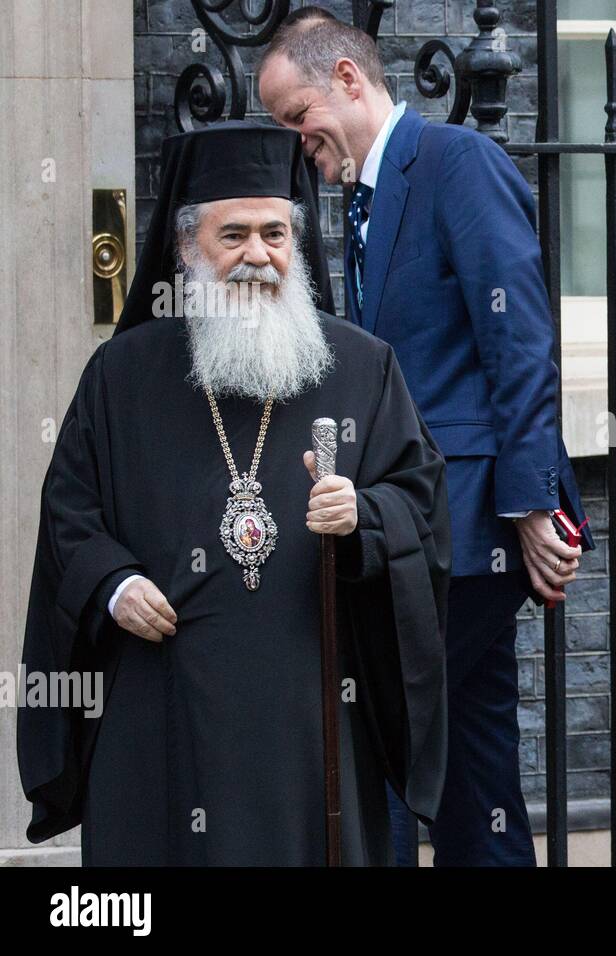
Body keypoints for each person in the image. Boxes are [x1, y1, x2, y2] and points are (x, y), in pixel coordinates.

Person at [17, 121, 452, 865]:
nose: (259, 255)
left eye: (276, 234)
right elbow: (68, 516)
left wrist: (363, 516)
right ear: (187, 248)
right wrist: (114, 584)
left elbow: (422, 507)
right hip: (163, 710)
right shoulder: (121, 376)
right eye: (236, 235)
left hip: (312, 715)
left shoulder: (361, 367)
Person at [257, 10, 592, 867]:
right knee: (473, 755)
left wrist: (528, 502)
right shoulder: (365, 195)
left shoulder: (456, 161)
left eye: (299, 117)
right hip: (420, 520)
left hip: (471, 521)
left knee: (387, 729)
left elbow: (518, 340)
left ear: (345, 79)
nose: (299, 144)